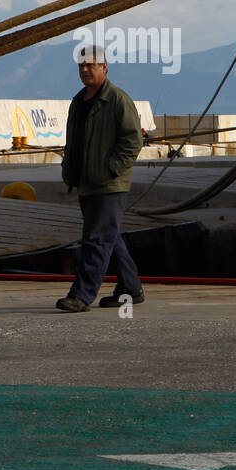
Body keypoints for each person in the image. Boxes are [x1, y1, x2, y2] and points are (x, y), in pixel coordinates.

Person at [56, 44, 145, 313]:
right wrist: (69, 170)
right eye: (81, 66)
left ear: (104, 67)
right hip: (86, 182)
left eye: (90, 65)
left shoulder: (118, 100)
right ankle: (131, 287)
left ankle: (82, 295)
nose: (85, 70)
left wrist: (112, 168)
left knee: (95, 239)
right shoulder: (78, 101)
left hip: (109, 184)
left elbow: (133, 140)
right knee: (109, 236)